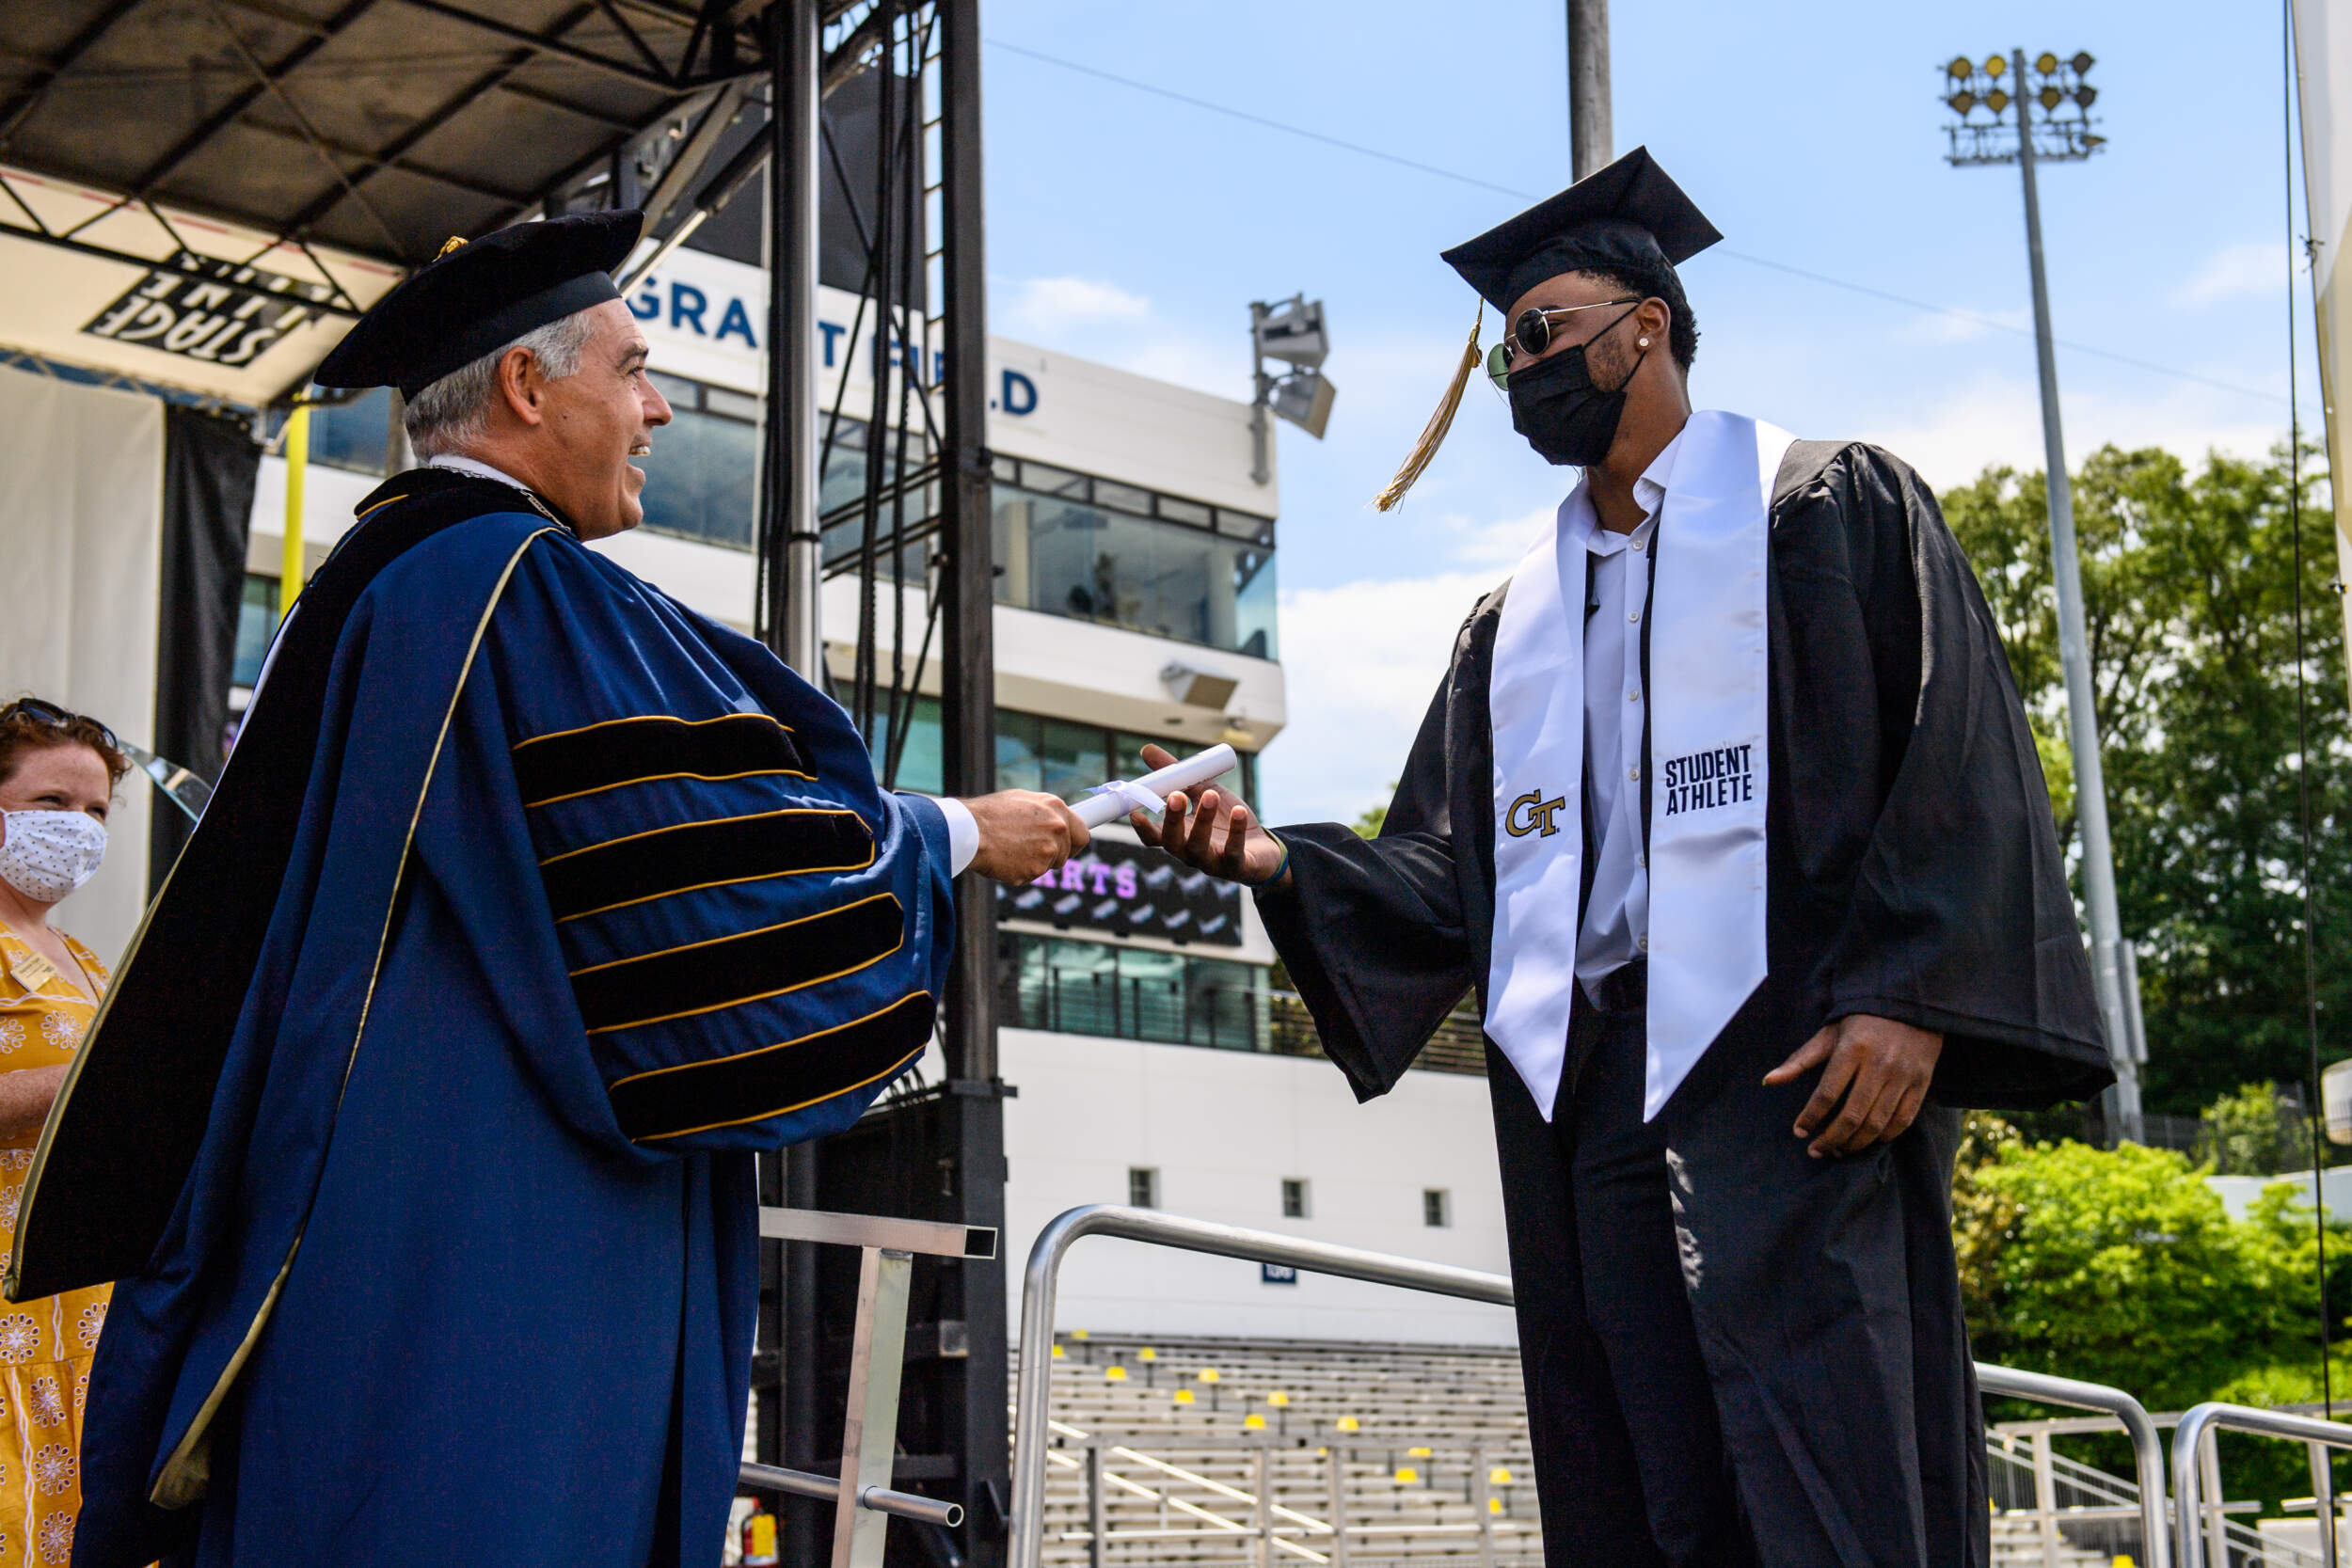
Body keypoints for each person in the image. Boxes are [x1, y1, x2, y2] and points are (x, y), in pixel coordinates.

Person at [23, 211, 1088, 1568]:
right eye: (634, 370)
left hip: (353, 1210)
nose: (657, 409)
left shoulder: (359, 591)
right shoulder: (519, 590)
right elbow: (712, 884)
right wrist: (946, 834)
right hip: (497, 1241)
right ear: (528, 385)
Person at [1133, 148, 2110, 1567]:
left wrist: (1909, 996)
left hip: (1790, 1060)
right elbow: (1456, 871)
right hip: (1591, 1093)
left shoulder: (1825, 508)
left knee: (1825, 1447)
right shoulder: (1514, 622)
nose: (1522, 368)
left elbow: (1951, 756)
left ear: (1645, 325)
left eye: (1544, 332)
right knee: (1641, 1467)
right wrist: (1283, 861)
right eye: (1506, 350)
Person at [0, 697, 128, 1568]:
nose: (78, 827)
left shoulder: (85, 959)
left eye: (96, 811)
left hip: (85, 1315)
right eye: (51, 802)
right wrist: (106, 1077)